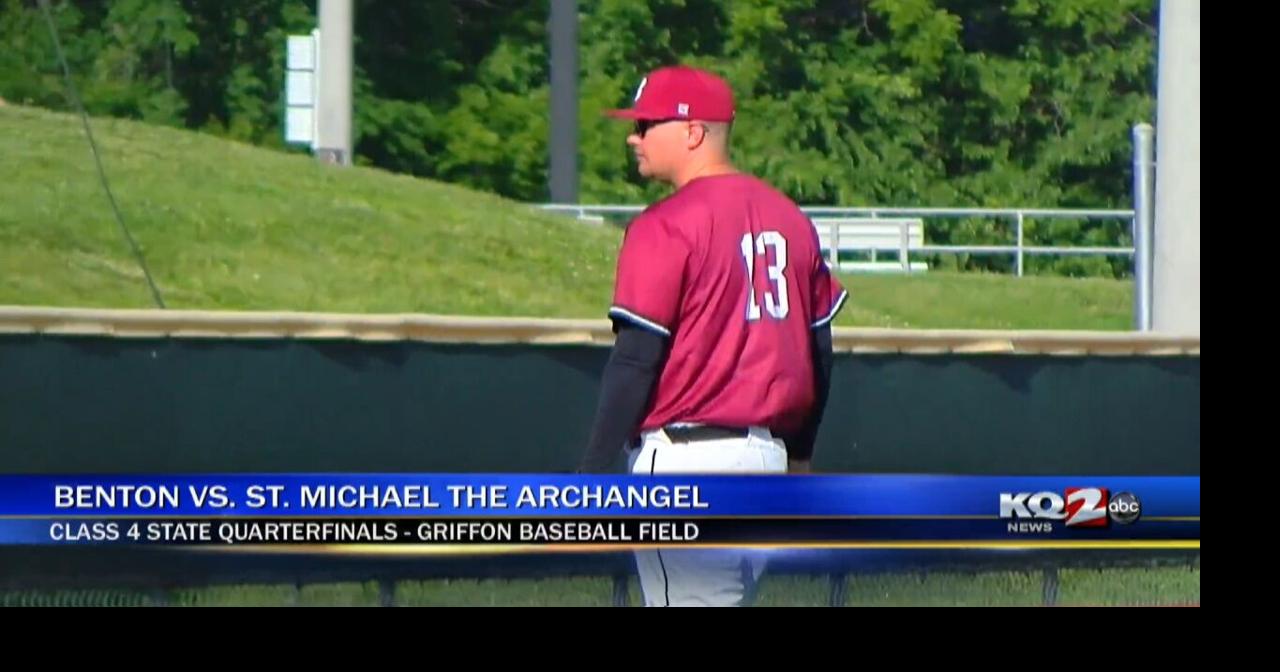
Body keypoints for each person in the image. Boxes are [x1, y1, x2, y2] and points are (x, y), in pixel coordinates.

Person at [577, 65, 847, 606]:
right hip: (766, 464)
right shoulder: (790, 219)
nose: (634, 136)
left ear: (693, 132)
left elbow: (636, 359)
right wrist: (799, 457)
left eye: (647, 124)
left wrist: (590, 475)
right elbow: (820, 352)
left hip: (685, 466)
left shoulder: (666, 223)